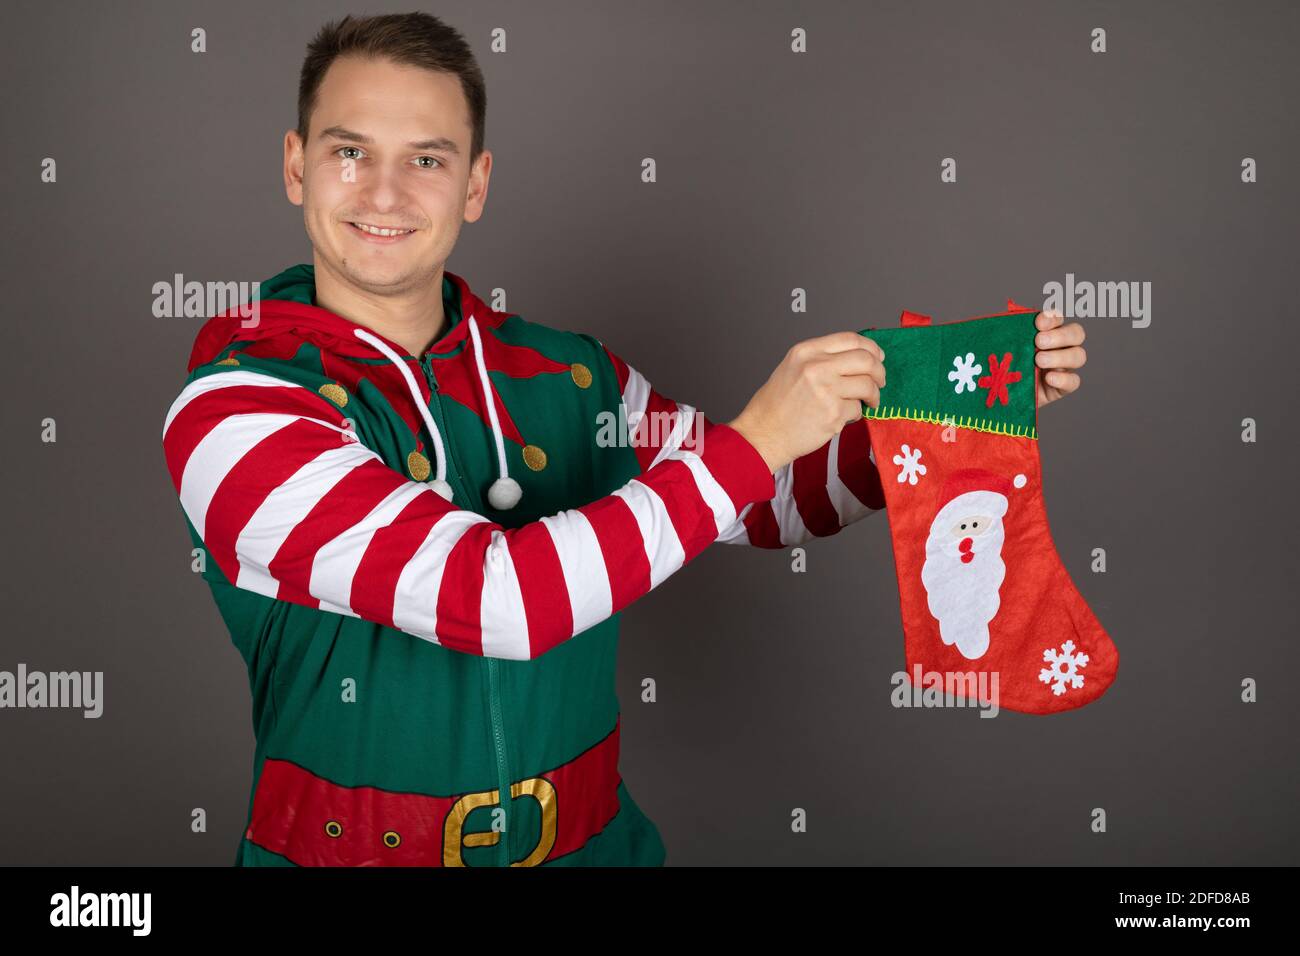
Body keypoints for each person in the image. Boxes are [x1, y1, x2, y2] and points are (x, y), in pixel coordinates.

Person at [161, 12, 1087, 867]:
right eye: (350, 151)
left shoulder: (572, 373)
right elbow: (502, 602)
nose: (387, 190)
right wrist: (759, 436)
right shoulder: (235, 410)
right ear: (295, 166)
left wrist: (954, 416)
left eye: (430, 159)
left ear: (476, 184)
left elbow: (763, 503)